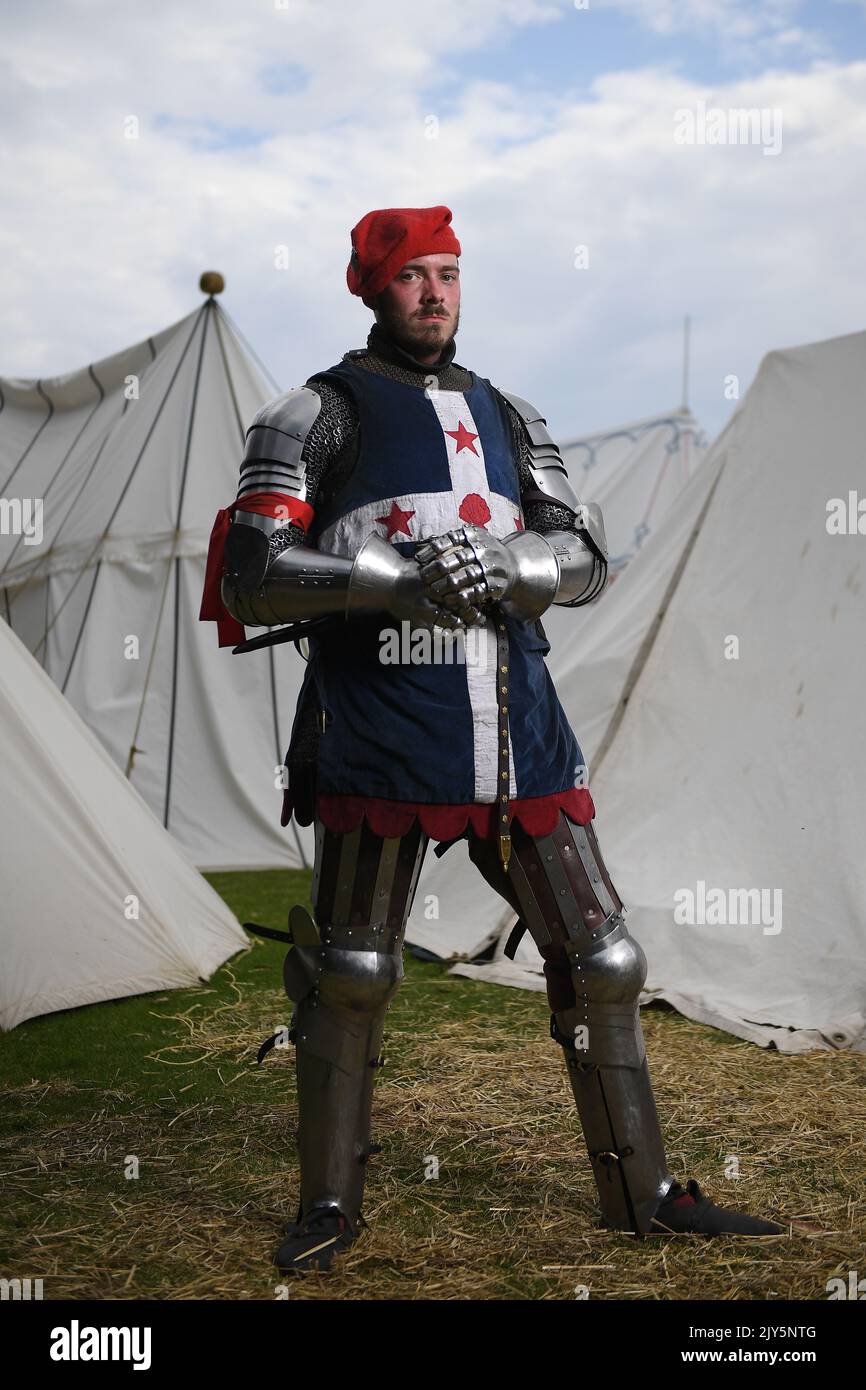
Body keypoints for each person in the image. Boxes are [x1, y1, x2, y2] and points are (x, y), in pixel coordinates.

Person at [201, 205, 785, 1273]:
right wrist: (395, 575)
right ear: (370, 289)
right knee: (355, 972)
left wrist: (511, 567)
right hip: (381, 725)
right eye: (412, 276)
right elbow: (250, 571)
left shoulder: (511, 414)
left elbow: (582, 555)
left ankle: (643, 1188)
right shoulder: (310, 416)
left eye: (447, 274)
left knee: (603, 958)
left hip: (517, 724)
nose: (433, 293)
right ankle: (329, 1201)